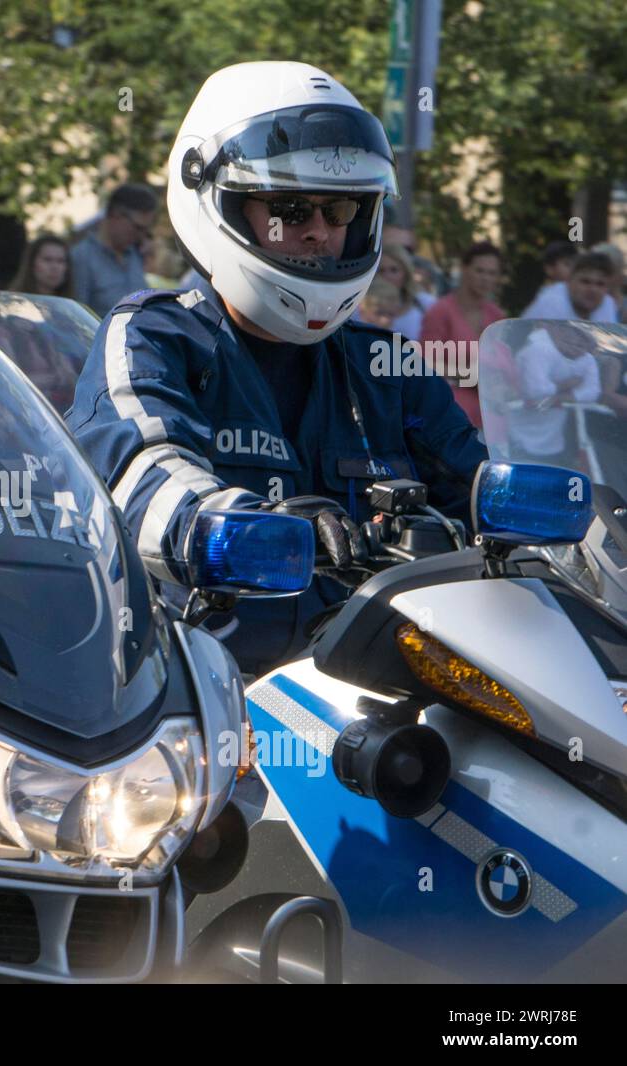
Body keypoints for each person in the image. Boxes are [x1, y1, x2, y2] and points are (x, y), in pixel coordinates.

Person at [68, 61, 486, 676]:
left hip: (366, 689)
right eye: (290, 208)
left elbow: (477, 485)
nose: (319, 233)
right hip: (201, 685)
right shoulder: (156, 335)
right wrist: (250, 526)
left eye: (339, 211)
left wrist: (568, 523)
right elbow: (140, 474)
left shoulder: (385, 362)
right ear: (222, 206)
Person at [419, 241, 507, 428]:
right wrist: (470, 377)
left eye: (492, 273)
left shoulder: (497, 316)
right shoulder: (440, 311)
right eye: (480, 270)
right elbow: (424, 364)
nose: (486, 278)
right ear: (464, 269)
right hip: (450, 413)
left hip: (491, 418)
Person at [506, 323, 601, 467]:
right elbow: (536, 390)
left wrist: (561, 397)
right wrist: (567, 385)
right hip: (517, 434)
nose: (577, 344)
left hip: (553, 440)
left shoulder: (587, 359)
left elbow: (593, 392)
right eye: (574, 336)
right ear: (560, 331)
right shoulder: (539, 349)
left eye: (583, 342)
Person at [70, 182, 156, 315]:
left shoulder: (134, 254)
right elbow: (76, 315)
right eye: (138, 228)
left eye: (146, 230)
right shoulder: (82, 257)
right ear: (116, 215)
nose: (142, 236)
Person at [522, 250, 617, 323]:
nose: (593, 289)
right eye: (585, 282)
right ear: (568, 282)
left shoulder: (608, 303)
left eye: (600, 284)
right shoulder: (551, 302)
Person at [376, 241, 433, 339]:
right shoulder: (356, 309)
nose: (387, 276)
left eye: (394, 270)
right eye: (381, 270)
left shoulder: (425, 303)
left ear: (406, 273)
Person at [8, 234, 73, 297]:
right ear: (32, 264)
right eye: (47, 259)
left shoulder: (71, 305)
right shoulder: (15, 300)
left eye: (60, 261)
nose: (55, 267)